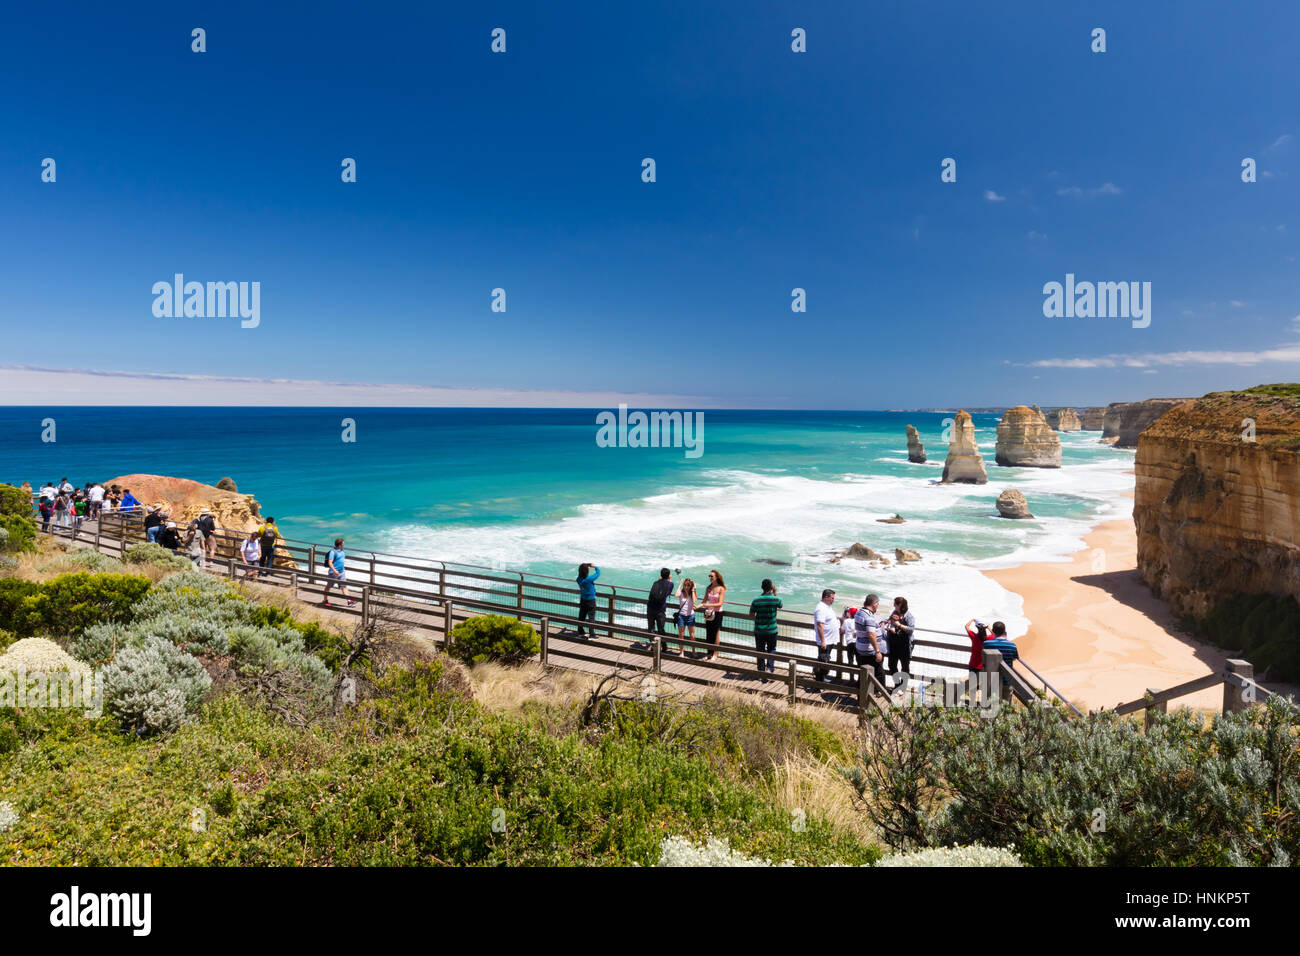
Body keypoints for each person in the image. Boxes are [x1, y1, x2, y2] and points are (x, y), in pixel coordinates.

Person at [749, 579, 783, 678]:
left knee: (760, 650)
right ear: (771, 587)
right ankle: (769, 668)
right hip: (772, 630)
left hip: (759, 630)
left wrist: (759, 619)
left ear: (762, 587)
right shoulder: (775, 599)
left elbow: (751, 614)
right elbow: (780, 605)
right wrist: (775, 592)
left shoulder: (756, 600)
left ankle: (761, 671)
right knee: (772, 649)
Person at [854, 595, 886, 690]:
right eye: (878, 603)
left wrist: (877, 624)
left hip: (860, 648)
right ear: (874, 604)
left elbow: (865, 627)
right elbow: (871, 634)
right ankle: (880, 692)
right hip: (869, 651)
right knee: (879, 672)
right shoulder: (869, 616)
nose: (878, 606)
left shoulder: (859, 613)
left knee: (863, 673)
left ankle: (862, 695)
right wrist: (877, 651)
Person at [698, 569, 727, 662]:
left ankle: (715, 654)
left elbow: (720, 603)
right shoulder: (708, 588)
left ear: (717, 577)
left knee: (716, 634)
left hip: (718, 613)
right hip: (709, 613)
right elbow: (704, 601)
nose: (710, 578)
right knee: (709, 633)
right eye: (709, 576)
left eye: (712, 576)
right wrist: (697, 606)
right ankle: (709, 653)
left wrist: (708, 605)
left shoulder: (721, 588)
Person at [886, 596, 915, 683]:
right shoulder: (895, 612)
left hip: (905, 645)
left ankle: (902, 686)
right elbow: (889, 620)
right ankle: (897, 684)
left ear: (901, 605)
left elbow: (911, 629)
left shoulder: (909, 616)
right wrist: (887, 623)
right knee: (891, 665)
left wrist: (899, 625)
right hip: (894, 643)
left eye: (895, 604)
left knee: (905, 667)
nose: (894, 606)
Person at [812, 588, 837, 682]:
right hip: (825, 641)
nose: (833, 600)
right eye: (832, 598)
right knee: (822, 661)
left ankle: (822, 678)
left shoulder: (826, 607)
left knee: (824, 661)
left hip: (829, 640)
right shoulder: (821, 608)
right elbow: (819, 625)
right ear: (826, 597)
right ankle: (819, 682)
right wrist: (823, 641)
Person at [322, 537, 355, 607]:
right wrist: (334, 570)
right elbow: (330, 563)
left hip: (342, 572)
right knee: (328, 586)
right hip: (333, 573)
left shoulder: (342, 551)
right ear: (339, 545)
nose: (344, 545)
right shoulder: (332, 552)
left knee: (344, 586)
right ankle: (325, 600)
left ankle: (349, 601)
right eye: (343, 544)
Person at [646, 567, 675, 647]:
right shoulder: (670, 584)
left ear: (660, 575)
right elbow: (669, 590)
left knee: (651, 628)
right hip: (660, 610)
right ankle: (664, 646)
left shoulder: (655, 583)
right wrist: (670, 579)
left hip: (650, 607)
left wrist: (660, 579)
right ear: (669, 575)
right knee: (661, 629)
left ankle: (653, 645)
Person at [576, 562, 600, 638]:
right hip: (590, 600)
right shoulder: (588, 579)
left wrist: (586, 567)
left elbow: (582, 575)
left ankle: (580, 631)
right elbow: (598, 573)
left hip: (583, 599)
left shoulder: (579, 579)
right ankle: (592, 634)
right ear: (586, 571)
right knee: (591, 617)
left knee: (582, 616)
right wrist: (595, 566)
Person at [675, 577, 698, 655]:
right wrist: (680, 585)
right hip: (681, 616)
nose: (686, 587)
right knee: (681, 635)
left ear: (690, 586)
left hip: (690, 616)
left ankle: (694, 651)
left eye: (688, 585)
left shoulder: (692, 593)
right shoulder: (681, 593)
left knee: (692, 635)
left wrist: (693, 589)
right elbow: (676, 594)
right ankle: (681, 652)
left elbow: (694, 600)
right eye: (685, 585)